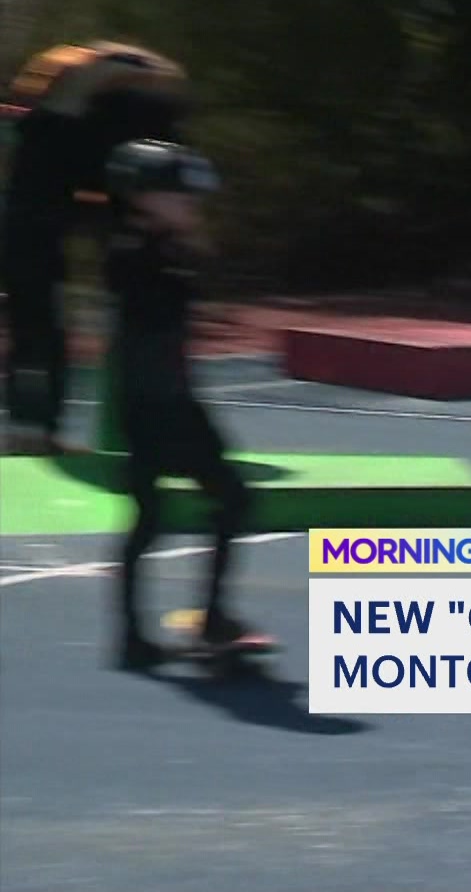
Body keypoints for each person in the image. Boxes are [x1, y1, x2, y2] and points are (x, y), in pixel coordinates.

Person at [102, 138, 271, 670]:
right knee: (230, 500)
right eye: (181, 196)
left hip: (157, 399)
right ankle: (211, 621)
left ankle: (135, 638)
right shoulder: (137, 254)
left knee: (151, 518)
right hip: (162, 404)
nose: (192, 206)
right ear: (145, 196)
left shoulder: (148, 248)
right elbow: (154, 317)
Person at [3, 42, 189, 455]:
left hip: (79, 157)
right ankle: (33, 426)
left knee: (47, 293)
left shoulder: (129, 106)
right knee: (39, 297)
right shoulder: (58, 116)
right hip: (59, 165)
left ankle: (37, 425)